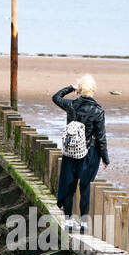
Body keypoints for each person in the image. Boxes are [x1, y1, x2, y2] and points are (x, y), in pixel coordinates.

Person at [51, 74, 109, 233]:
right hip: (88, 155)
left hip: (71, 154)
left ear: (80, 90)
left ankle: (69, 222)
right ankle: (83, 224)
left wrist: (70, 87)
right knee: (84, 188)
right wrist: (105, 159)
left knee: (69, 187)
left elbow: (56, 97)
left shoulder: (71, 105)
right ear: (93, 91)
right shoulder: (98, 111)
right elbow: (101, 137)